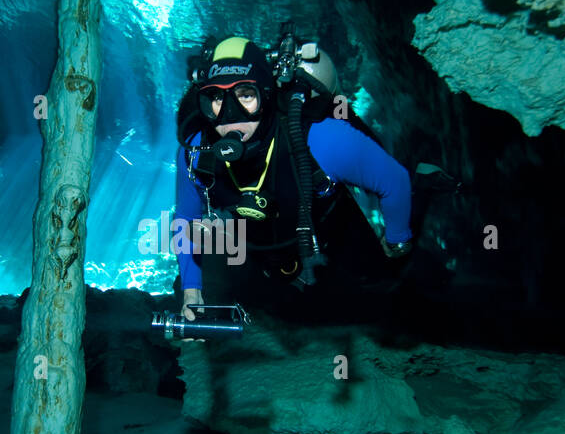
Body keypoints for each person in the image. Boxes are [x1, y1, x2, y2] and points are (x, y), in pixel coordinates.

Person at [172, 34, 414, 321]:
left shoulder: (321, 139)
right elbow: (187, 221)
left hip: (330, 234)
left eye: (246, 95)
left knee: (380, 288)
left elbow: (394, 181)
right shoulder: (197, 152)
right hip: (260, 250)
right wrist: (191, 290)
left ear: (267, 94)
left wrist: (397, 240)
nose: (229, 115)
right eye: (216, 98)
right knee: (272, 301)